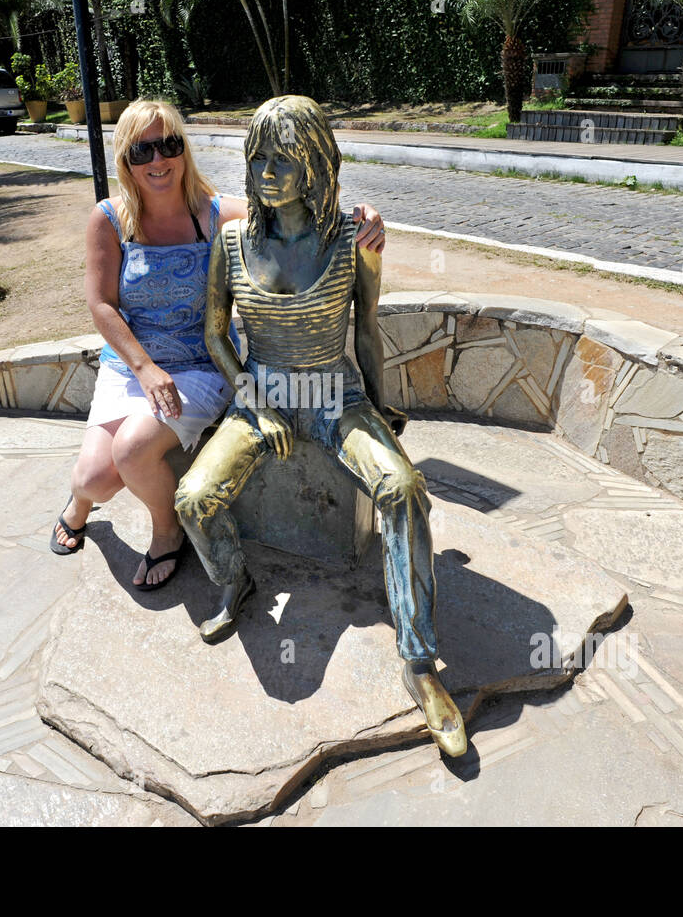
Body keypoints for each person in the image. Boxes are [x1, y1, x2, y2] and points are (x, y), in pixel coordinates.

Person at [173, 95, 467, 757]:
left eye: (284, 157)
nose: (268, 171)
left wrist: (386, 410)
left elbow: (366, 330)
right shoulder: (231, 240)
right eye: (258, 157)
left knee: (402, 487)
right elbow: (216, 334)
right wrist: (254, 398)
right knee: (192, 497)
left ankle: (420, 664)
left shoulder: (351, 240)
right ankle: (232, 576)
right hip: (263, 394)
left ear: (315, 164)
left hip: (337, 394)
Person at [50, 99, 387, 590]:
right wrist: (142, 367)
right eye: (142, 151)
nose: (158, 160)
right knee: (93, 481)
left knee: (132, 450)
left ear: (184, 150)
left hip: (199, 367)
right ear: (124, 159)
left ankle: (168, 532)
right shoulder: (110, 219)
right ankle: (79, 504)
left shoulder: (218, 216)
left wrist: (362, 217)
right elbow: (101, 305)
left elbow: (297, 213)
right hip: (132, 367)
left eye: (169, 145)